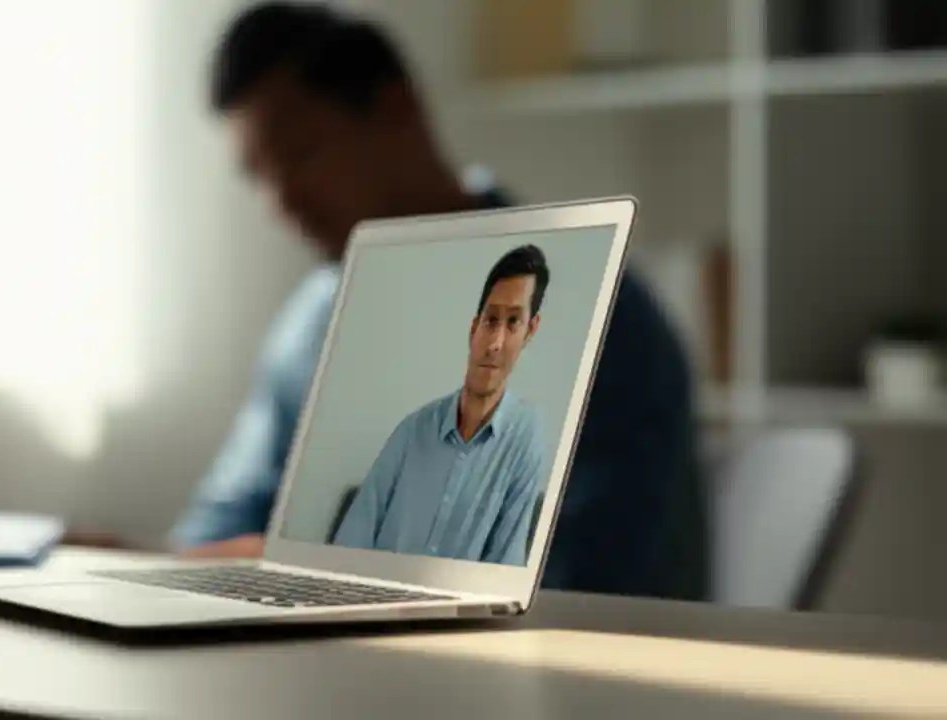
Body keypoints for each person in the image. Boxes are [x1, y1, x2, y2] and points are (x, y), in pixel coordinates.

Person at [171, 2, 708, 600]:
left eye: (303, 156)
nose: (283, 202)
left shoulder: (596, 313)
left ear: (396, 109)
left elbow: (599, 585)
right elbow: (222, 525)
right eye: (261, 177)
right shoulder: (310, 323)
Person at [332, 246, 550, 565]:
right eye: (490, 320)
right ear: (473, 327)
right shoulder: (412, 429)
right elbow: (350, 542)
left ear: (530, 331)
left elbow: (504, 572)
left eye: (513, 322)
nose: (495, 343)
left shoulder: (526, 437)